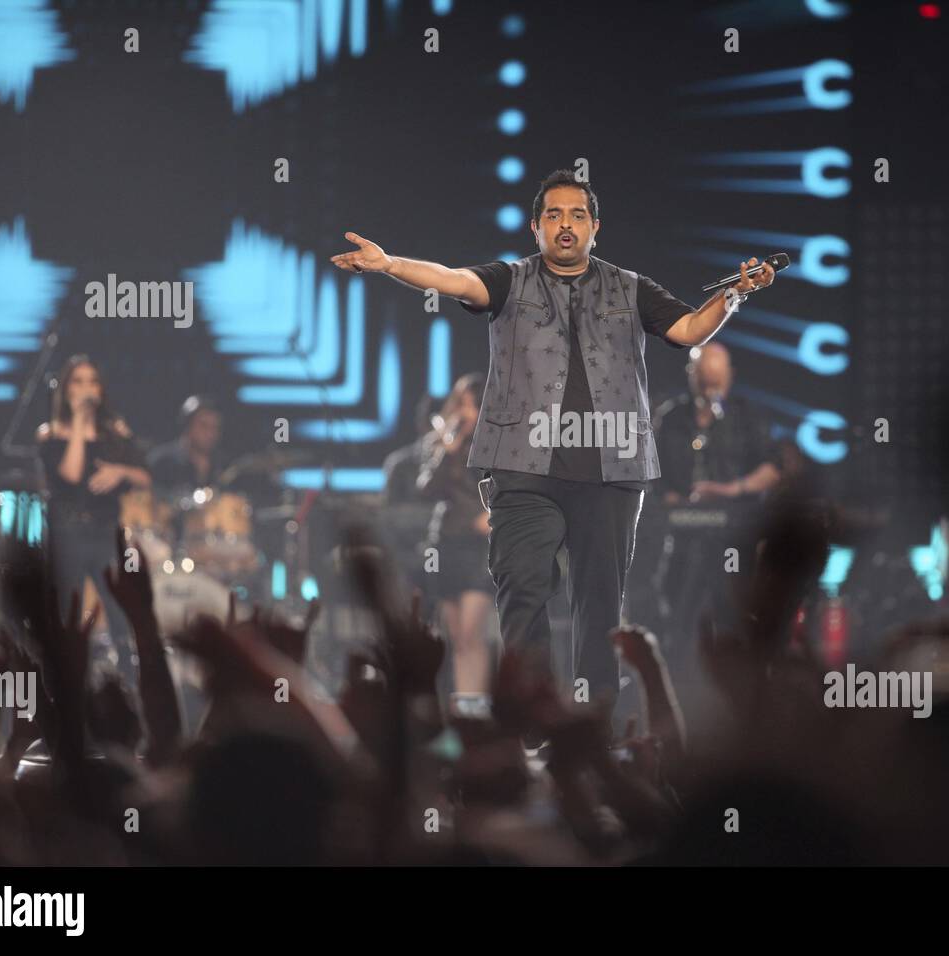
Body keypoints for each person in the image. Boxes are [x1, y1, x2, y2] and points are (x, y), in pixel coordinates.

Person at [331, 169, 775, 737]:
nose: (566, 226)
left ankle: (592, 729)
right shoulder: (509, 280)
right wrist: (390, 263)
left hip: (610, 470)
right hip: (522, 468)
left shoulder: (630, 287)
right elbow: (452, 279)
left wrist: (733, 292)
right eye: (555, 216)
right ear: (536, 226)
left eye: (578, 215)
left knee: (599, 603)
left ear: (595, 227)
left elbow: (690, 330)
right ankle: (529, 721)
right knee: (522, 585)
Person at [35, 354, 152, 686]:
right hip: (67, 532)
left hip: (105, 533)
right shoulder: (50, 435)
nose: (86, 388)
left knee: (120, 614)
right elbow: (71, 473)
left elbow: (145, 477)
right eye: (78, 381)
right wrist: (78, 423)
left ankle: (132, 688)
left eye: (92, 381)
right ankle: (64, 689)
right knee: (68, 615)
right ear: (66, 389)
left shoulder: (115, 432)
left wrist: (119, 471)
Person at [416, 374, 496, 717]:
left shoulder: (496, 441)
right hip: (447, 541)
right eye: (459, 403)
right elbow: (426, 490)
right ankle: (462, 711)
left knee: (470, 631)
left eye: (469, 403)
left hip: (479, 547)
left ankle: (475, 710)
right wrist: (447, 450)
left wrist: (492, 517)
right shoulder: (443, 444)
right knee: (454, 637)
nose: (464, 411)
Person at [653, 342, 782, 504]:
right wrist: (672, 500)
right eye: (704, 383)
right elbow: (651, 472)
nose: (709, 392)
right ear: (691, 374)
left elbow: (772, 469)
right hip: (679, 513)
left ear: (730, 375)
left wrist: (733, 489)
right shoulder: (670, 416)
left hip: (738, 515)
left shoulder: (748, 416)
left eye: (716, 384)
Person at [147, 395, 223, 500]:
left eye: (214, 428)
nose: (210, 434)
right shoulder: (162, 461)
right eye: (203, 426)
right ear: (188, 426)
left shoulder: (221, 465)